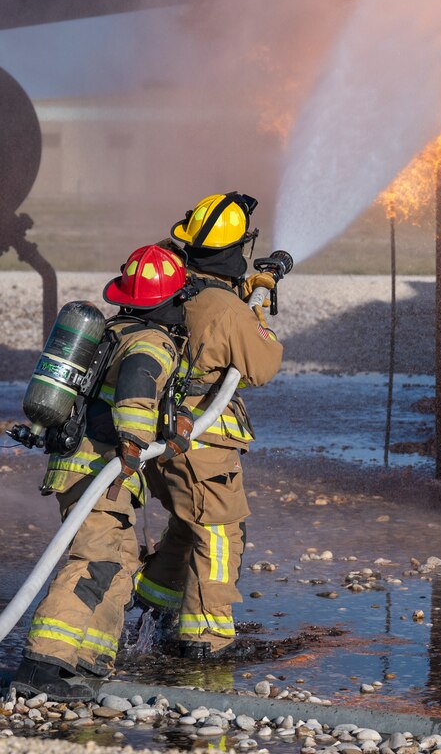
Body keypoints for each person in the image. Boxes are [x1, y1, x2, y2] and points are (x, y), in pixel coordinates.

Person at [12, 244, 190, 700]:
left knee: (120, 563)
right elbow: (136, 387)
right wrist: (134, 442)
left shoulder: (115, 331)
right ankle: (43, 664)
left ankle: (89, 661)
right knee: (92, 562)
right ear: (171, 302)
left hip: (90, 470)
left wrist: (173, 427)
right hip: (99, 470)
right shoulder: (151, 342)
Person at [133, 192, 283, 660]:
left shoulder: (174, 284)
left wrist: (241, 292)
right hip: (199, 443)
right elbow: (263, 364)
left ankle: (154, 606)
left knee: (187, 522)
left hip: (156, 435)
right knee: (219, 533)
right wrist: (256, 308)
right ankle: (206, 641)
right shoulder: (226, 310)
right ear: (238, 250)